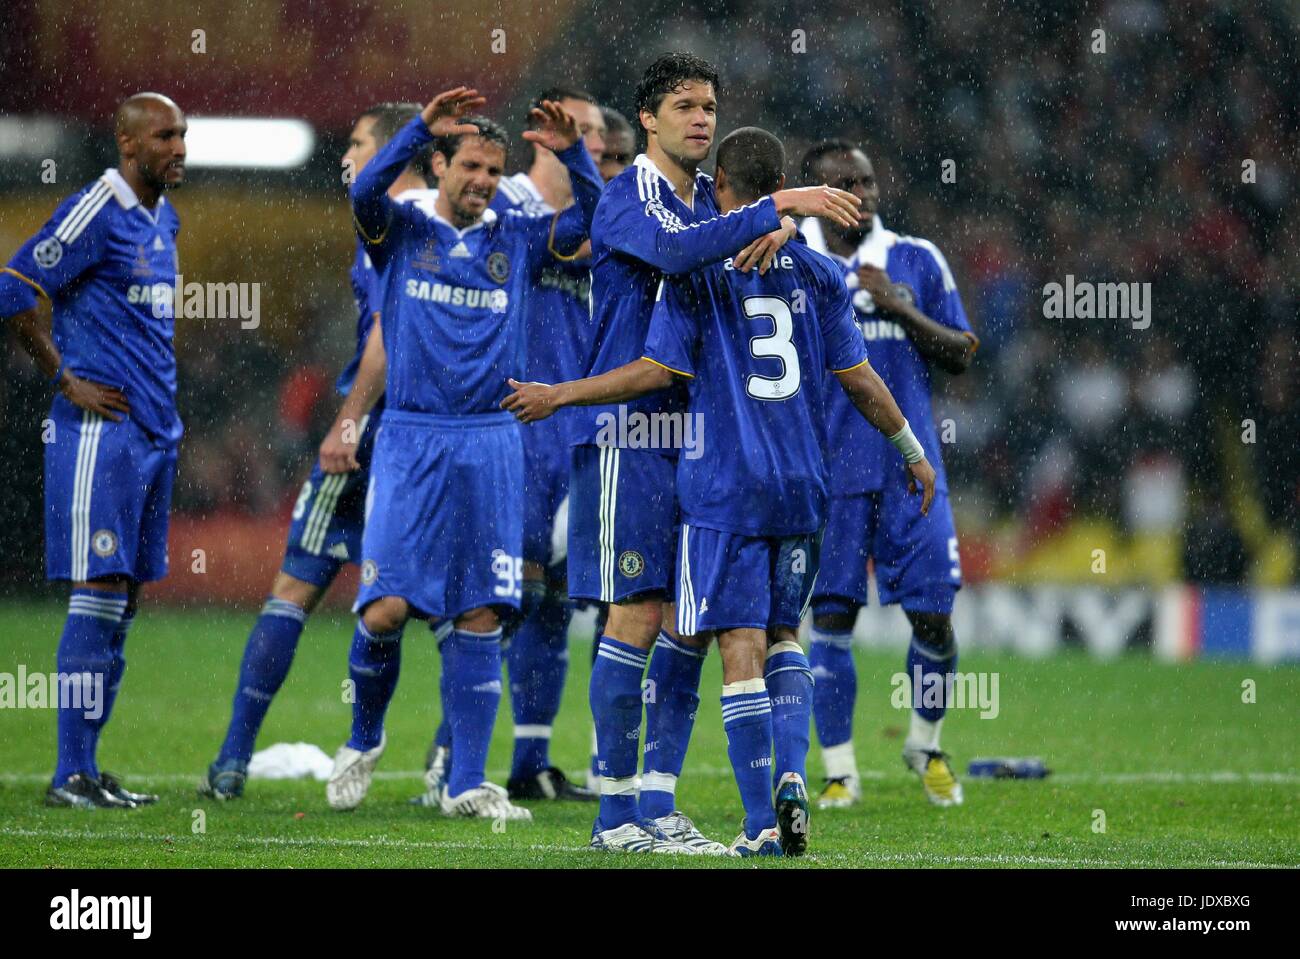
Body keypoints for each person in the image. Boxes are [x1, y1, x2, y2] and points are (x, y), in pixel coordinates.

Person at [504, 126, 935, 856]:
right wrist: (914, 452)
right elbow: (860, 379)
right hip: (806, 487)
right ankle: (777, 778)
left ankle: (757, 819)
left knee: (720, 638)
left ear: (726, 189)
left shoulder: (700, 272)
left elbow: (657, 370)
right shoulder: (822, 274)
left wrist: (562, 393)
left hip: (723, 486)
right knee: (778, 635)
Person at [563, 52, 862, 853]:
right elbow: (669, 256)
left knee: (684, 621)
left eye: (710, 106)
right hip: (632, 428)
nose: (702, 119)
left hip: (698, 441)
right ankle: (613, 811)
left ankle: (654, 801)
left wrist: (779, 223)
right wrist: (780, 206)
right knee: (633, 614)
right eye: (685, 106)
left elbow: (725, 242)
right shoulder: (631, 197)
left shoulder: (704, 197)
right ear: (649, 119)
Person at [322, 87, 601, 821]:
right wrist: (415, 126)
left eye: (491, 169)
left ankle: (467, 783)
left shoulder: (515, 239)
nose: (481, 181)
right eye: (469, 165)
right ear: (439, 164)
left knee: (482, 613)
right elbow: (361, 187)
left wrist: (573, 153)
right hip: (412, 438)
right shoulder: (401, 233)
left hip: (492, 442)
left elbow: (600, 218)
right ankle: (364, 734)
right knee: (385, 610)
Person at [200, 103, 436, 800]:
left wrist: (348, 420)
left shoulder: (394, 221)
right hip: (429, 440)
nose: (346, 155)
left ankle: (234, 756)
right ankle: (443, 761)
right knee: (450, 610)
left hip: (385, 436)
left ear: (392, 148)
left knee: (298, 586)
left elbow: (386, 338)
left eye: (358, 142)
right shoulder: (438, 221)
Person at [0, 93, 187, 808]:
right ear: (127, 143)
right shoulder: (94, 210)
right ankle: (68, 772)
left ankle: (90, 766)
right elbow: (14, 286)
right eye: (164, 135)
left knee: (126, 599)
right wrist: (62, 375)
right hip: (98, 438)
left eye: (183, 135)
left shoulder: (164, 218)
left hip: (154, 435)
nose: (179, 147)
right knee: (100, 589)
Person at [421, 85, 605, 804]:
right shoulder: (504, 206)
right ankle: (447, 761)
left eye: (591, 134)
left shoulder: (587, 211)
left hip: (574, 420)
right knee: (503, 597)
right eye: (576, 131)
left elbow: (593, 221)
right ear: (540, 134)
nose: (586, 143)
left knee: (557, 596)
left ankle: (531, 758)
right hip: (518, 420)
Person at [800, 140, 978, 809]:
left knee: (934, 615)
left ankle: (926, 744)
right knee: (833, 619)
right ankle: (840, 769)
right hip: (828, 472)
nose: (865, 193)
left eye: (870, 181)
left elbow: (962, 352)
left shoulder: (915, 258)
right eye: (847, 183)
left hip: (913, 469)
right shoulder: (793, 255)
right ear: (815, 191)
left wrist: (899, 307)